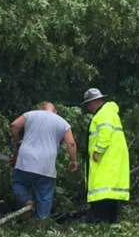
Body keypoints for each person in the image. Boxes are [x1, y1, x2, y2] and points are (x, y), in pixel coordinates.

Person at [10, 102, 78, 220]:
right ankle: (40, 224)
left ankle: (26, 201)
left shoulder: (30, 115)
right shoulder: (62, 122)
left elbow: (14, 125)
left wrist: (16, 142)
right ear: (55, 111)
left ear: (41, 109)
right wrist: (73, 160)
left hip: (25, 161)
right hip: (46, 165)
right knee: (44, 195)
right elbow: (71, 143)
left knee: (19, 183)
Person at [82, 88, 130, 223]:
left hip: (106, 159)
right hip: (110, 158)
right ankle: (110, 221)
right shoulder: (108, 112)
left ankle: (103, 220)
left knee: (102, 191)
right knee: (108, 192)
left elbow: (105, 133)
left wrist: (97, 150)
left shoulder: (104, 114)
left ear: (95, 101)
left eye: (88, 103)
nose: (88, 107)